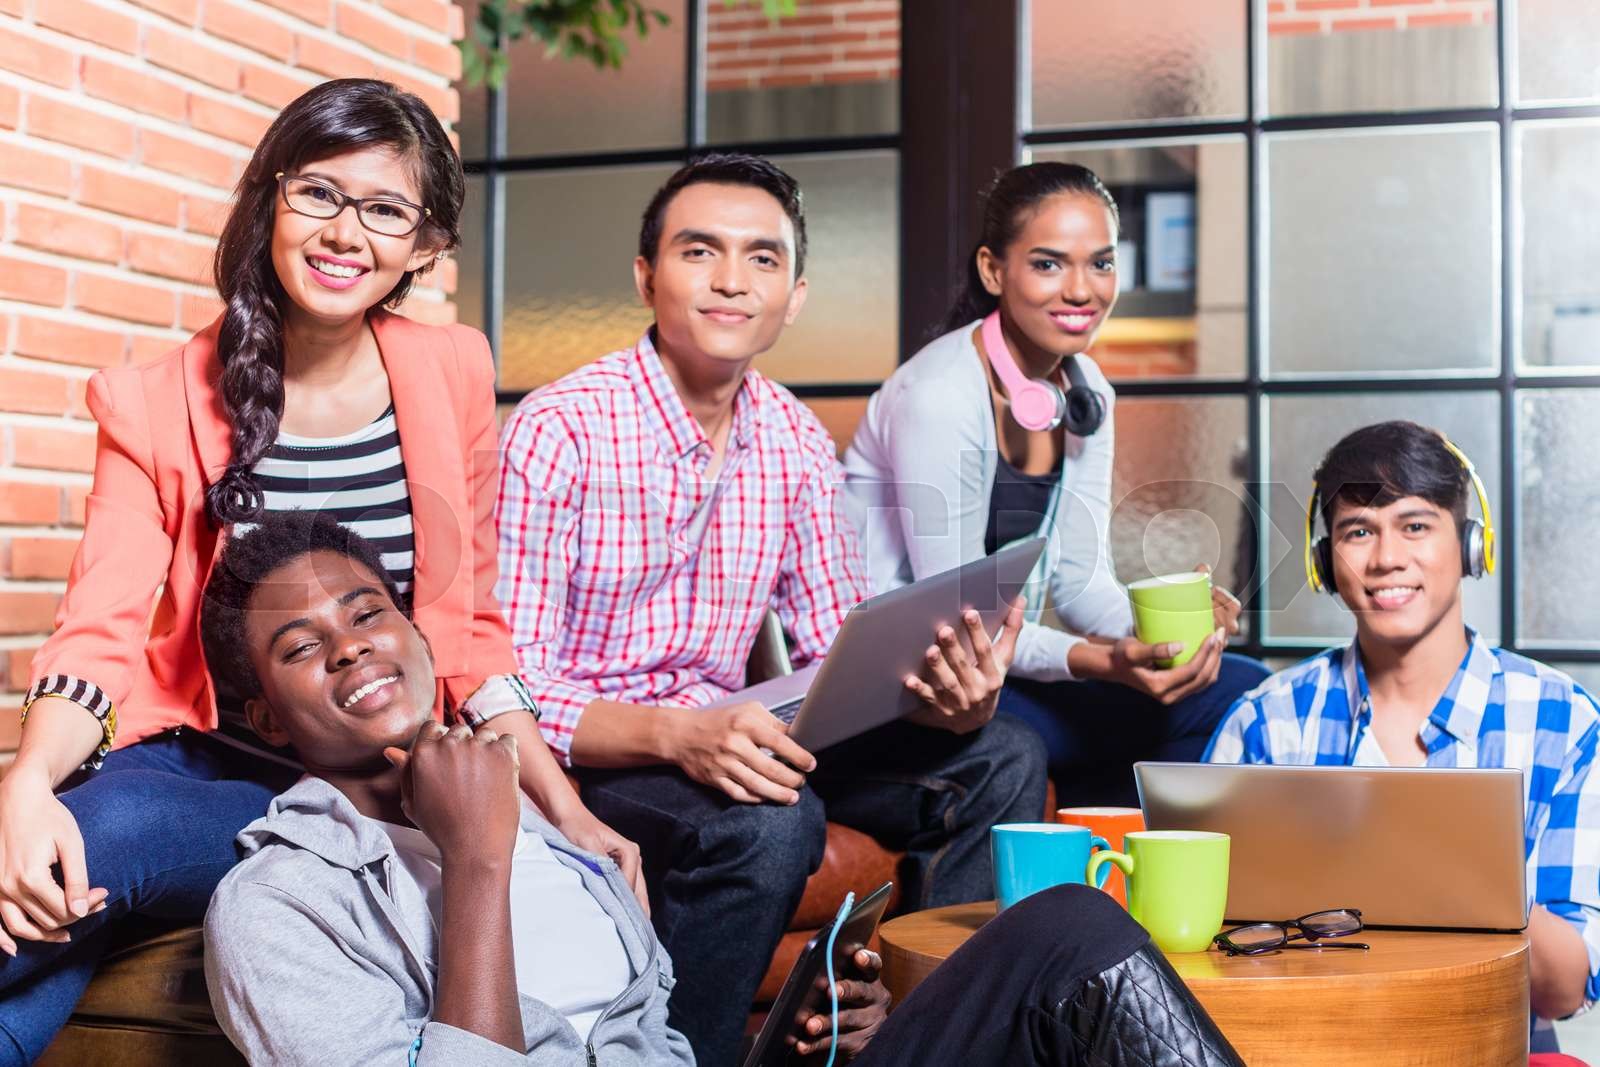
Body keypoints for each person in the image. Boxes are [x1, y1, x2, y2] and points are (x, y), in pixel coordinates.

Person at [0, 78, 635, 1064]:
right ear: (271, 198)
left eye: (385, 210)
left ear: (425, 244)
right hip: (215, 762)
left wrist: (564, 805)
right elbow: (100, 629)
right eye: (319, 194)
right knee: (76, 849)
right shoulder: (153, 399)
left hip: (373, 777)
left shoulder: (453, 370)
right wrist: (29, 782)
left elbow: (470, 631)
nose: (346, 233)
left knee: (98, 855)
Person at [200, 511, 1244, 1067]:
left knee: (1068, 928)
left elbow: (652, 1037)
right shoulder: (280, 904)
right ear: (266, 717)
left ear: (421, 634)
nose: (351, 647)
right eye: (302, 646)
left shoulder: (551, 831)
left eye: (368, 612)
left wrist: (792, 1041)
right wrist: (475, 861)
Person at [494, 152, 1049, 1065]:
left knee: (1004, 754)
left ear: (793, 296)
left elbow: (840, 649)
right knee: (767, 820)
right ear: (646, 276)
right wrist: (679, 735)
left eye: (762, 258)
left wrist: (950, 696)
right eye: (699, 251)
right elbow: (509, 685)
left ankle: (924, 1047)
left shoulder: (793, 437)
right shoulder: (560, 428)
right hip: (602, 752)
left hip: (741, 730)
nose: (731, 280)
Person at [840, 162, 1269, 806]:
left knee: (1237, 687)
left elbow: (1079, 582)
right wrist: (1102, 663)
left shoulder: (1087, 390)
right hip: (908, 689)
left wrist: (1169, 632)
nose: (1080, 290)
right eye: (1048, 264)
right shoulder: (940, 395)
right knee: (1025, 742)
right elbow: (959, 619)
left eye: (1101, 264)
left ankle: (1119, 857)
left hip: (988, 671)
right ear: (993, 271)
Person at [1206, 420, 1599, 1053]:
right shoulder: (1265, 723)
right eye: (1358, 532)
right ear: (1323, 562)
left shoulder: (1563, 722)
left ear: (1470, 546)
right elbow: (1203, 952)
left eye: (1415, 525)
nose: (1387, 557)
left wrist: (1456, 870)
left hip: (1484, 1051)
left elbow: (1564, 990)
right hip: (1296, 1046)